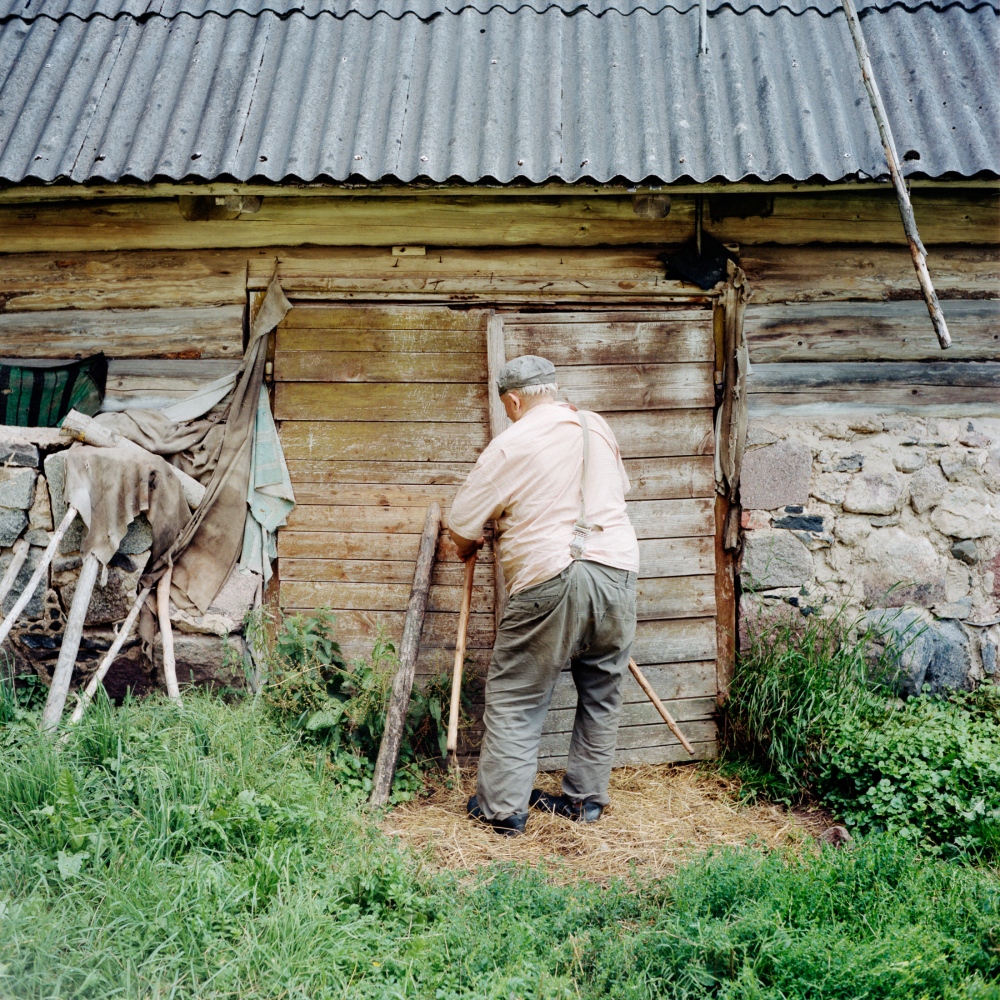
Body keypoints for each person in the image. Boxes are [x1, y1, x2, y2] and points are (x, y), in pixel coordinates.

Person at [447, 355, 639, 836]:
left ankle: (503, 810)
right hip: (616, 571)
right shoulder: (598, 429)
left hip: (551, 575)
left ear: (513, 400)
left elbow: (462, 522)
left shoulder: (514, 442)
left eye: (507, 405)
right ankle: (586, 802)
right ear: (551, 390)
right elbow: (618, 492)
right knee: (602, 693)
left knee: (517, 696)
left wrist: (467, 545)